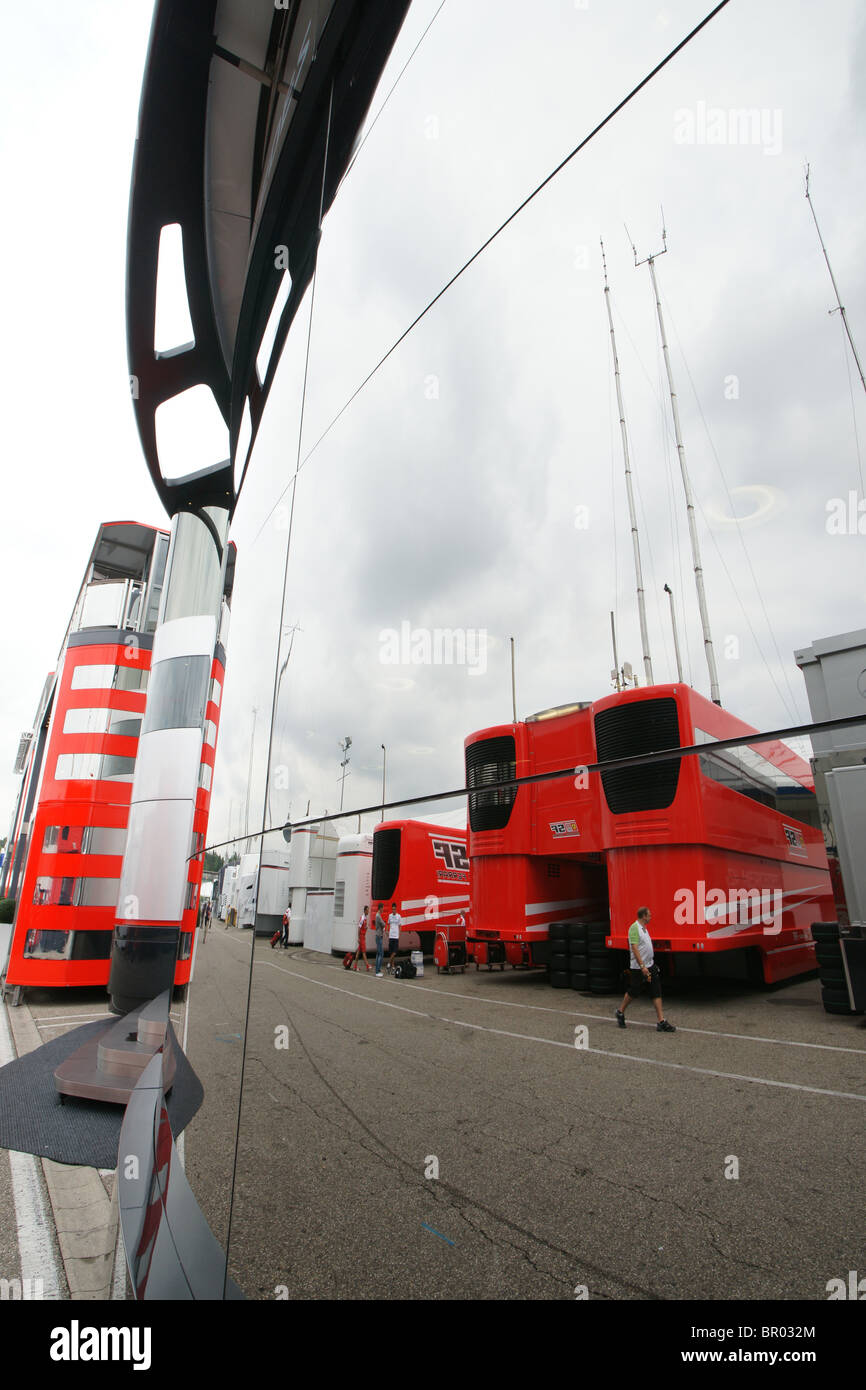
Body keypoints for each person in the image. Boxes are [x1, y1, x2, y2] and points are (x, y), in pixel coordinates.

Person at [616, 906, 675, 1032]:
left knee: (656, 991)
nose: (651, 917)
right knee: (634, 991)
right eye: (649, 915)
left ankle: (661, 1021)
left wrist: (648, 964)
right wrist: (642, 966)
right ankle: (620, 1012)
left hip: (650, 965)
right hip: (638, 967)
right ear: (643, 916)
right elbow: (635, 948)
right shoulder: (634, 928)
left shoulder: (644, 928)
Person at [352, 906, 371, 971]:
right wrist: (359, 938)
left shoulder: (365, 918)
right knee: (363, 952)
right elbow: (359, 928)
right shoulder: (362, 918)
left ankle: (355, 966)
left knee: (358, 952)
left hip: (363, 936)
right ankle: (367, 966)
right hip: (362, 937)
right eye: (368, 910)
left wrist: (365, 928)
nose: (368, 911)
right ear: (365, 911)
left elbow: (363, 927)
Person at [387, 901, 402, 974]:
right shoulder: (390, 916)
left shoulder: (399, 916)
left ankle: (389, 963)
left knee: (395, 952)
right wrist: (387, 931)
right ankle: (393, 967)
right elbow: (388, 924)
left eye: (394, 909)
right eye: (392, 909)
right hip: (391, 936)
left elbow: (400, 926)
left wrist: (399, 934)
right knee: (391, 951)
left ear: (396, 909)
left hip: (396, 936)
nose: (393, 910)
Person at [373, 903, 387, 976]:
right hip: (379, 936)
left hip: (378, 936)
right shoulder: (378, 916)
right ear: (380, 908)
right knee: (381, 953)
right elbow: (383, 924)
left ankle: (377, 970)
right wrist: (385, 924)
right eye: (382, 908)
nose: (383, 909)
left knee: (378, 953)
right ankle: (377, 971)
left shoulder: (378, 915)